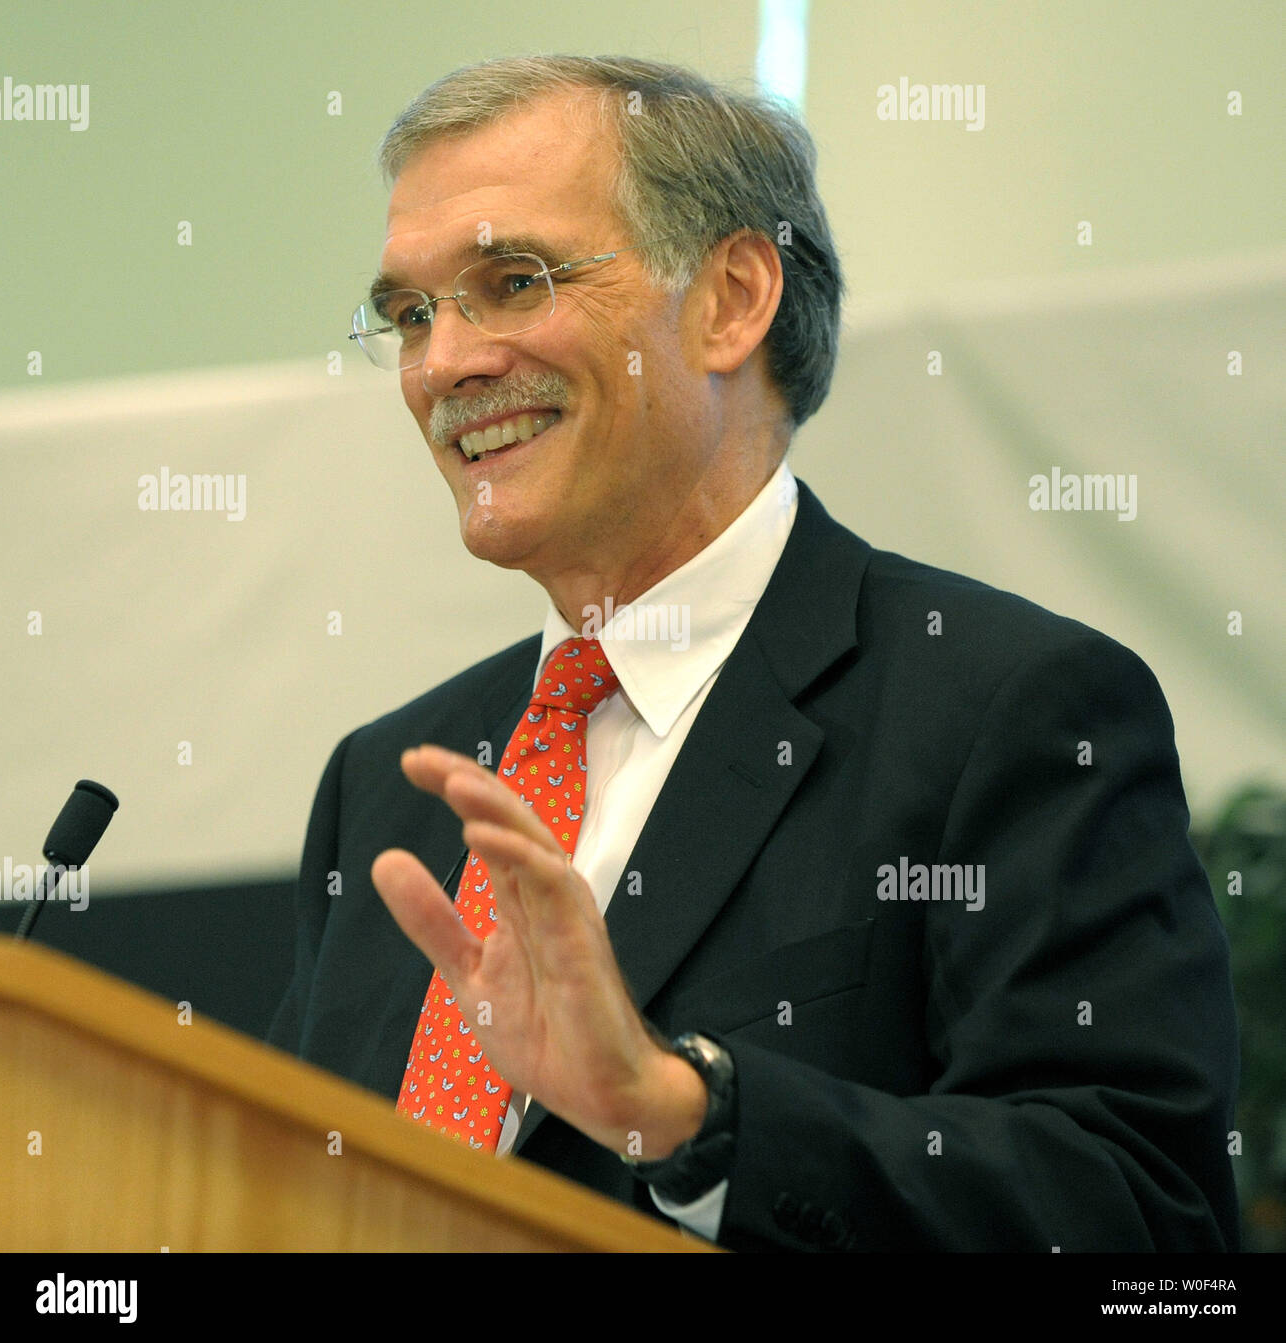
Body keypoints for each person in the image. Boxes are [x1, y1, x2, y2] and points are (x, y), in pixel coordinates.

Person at [267, 54, 1239, 1252]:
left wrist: (688, 1114)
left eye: (511, 282)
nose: (442, 363)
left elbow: (1145, 1219)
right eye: (411, 314)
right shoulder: (383, 785)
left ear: (731, 297)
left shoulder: (1007, 708)